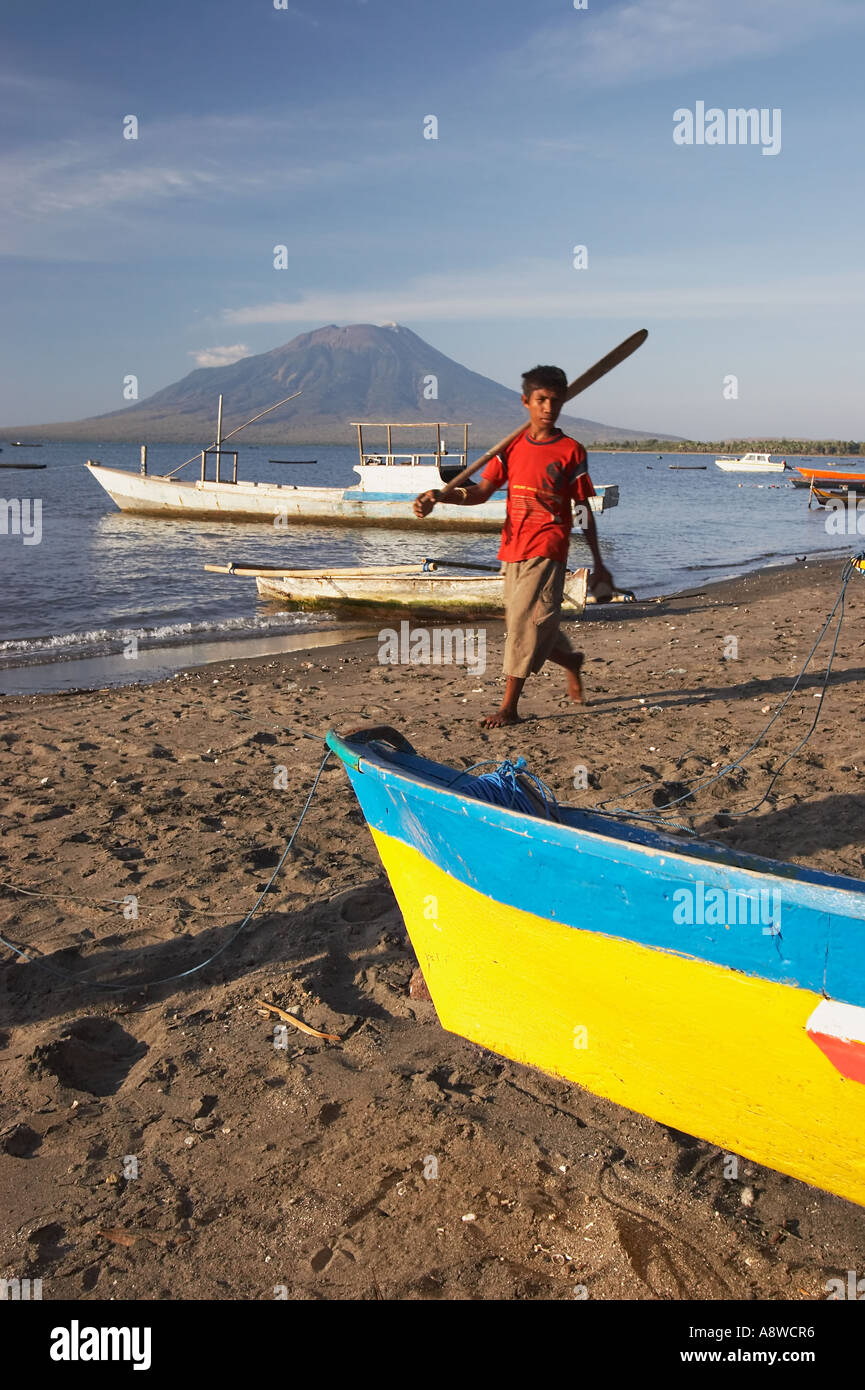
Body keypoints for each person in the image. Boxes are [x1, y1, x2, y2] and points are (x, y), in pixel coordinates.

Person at [413, 365, 612, 727]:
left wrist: (598, 560)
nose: (548, 408)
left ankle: (509, 707)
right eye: (540, 401)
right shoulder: (512, 447)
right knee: (528, 629)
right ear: (526, 402)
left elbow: (582, 507)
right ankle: (569, 661)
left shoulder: (571, 451)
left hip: (548, 545)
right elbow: (481, 492)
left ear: (563, 402)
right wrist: (441, 498)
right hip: (512, 548)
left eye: (555, 401)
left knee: (521, 625)